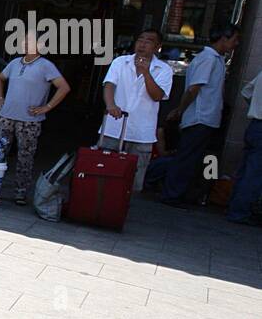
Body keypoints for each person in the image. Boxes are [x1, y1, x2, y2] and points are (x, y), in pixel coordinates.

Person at [160, 24, 239, 205]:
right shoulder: (208, 59)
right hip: (199, 117)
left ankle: (180, 193)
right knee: (186, 157)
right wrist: (180, 109)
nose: (236, 44)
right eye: (234, 39)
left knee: (193, 158)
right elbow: (194, 88)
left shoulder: (216, 59)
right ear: (223, 39)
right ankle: (171, 194)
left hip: (207, 117)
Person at [0, 33, 70, 204]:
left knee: (25, 157)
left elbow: (64, 87)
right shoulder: (14, 63)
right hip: (6, 116)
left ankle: (20, 191)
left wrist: (47, 107)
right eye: (24, 40)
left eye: (30, 41)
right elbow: (0, 79)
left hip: (29, 120)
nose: (25, 43)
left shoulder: (46, 66)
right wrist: (0, 98)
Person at [99, 29, 173, 191]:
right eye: (140, 39)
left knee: (132, 181)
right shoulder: (120, 62)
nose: (143, 44)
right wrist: (111, 105)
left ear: (157, 47)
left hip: (141, 133)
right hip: (113, 128)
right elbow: (109, 84)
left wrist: (146, 73)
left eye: (149, 41)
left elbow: (157, 96)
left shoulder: (164, 69)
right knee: (103, 172)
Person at [228, 65, 262, 224]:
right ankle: (240, 211)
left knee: (246, 170)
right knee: (254, 174)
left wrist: (256, 107)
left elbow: (247, 91)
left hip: (255, 124)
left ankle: (235, 206)